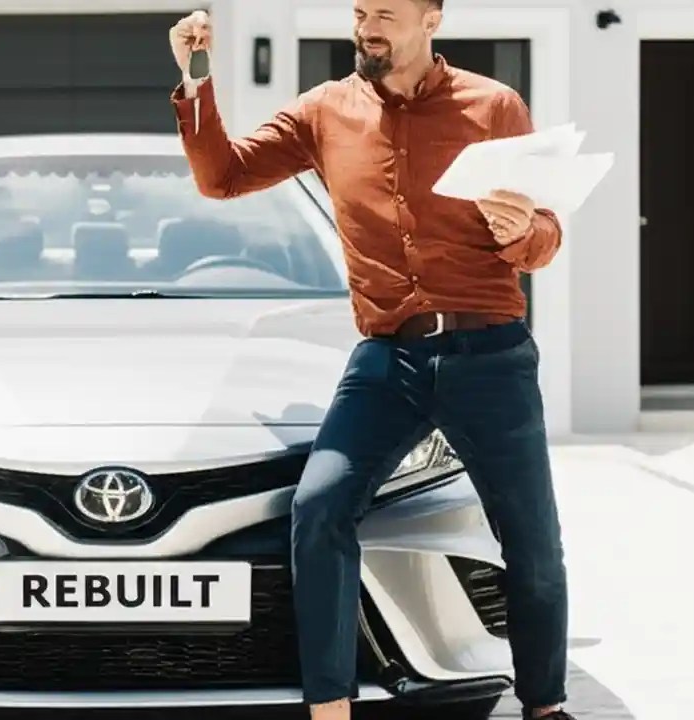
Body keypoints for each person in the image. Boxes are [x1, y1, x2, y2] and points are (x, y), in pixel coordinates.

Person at [166, 2, 573, 720]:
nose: (367, 27)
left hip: (492, 357)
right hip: (387, 359)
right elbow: (222, 177)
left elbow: (545, 238)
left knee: (532, 545)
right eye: (359, 12)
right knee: (319, 506)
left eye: (385, 12)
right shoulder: (325, 111)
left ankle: (543, 707)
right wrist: (197, 76)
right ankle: (331, 709)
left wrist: (523, 233)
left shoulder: (494, 105)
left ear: (431, 19)